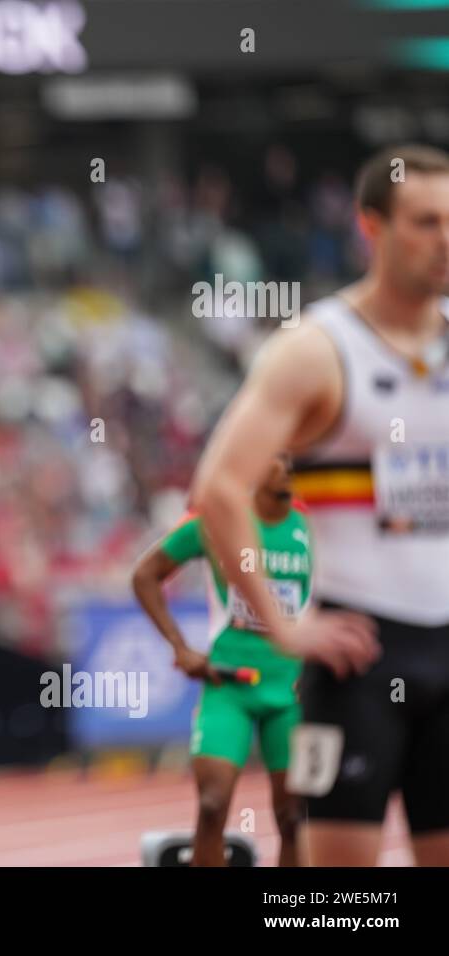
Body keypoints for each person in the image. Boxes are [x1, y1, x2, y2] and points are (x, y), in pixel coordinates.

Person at [189, 144, 449, 865]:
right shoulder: (316, 350)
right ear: (372, 226)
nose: (446, 240)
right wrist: (284, 627)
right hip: (354, 662)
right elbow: (217, 488)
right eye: (426, 222)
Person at [133, 454, 308, 865]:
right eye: (277, 459)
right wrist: (180, 647)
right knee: (212, 804)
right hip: (228, 686)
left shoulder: (315, 529)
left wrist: (318, 665)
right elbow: (145, 575)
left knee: (294, 816)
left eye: (292, 459)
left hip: (293, 690)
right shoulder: (216, 523)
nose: (287, 468)